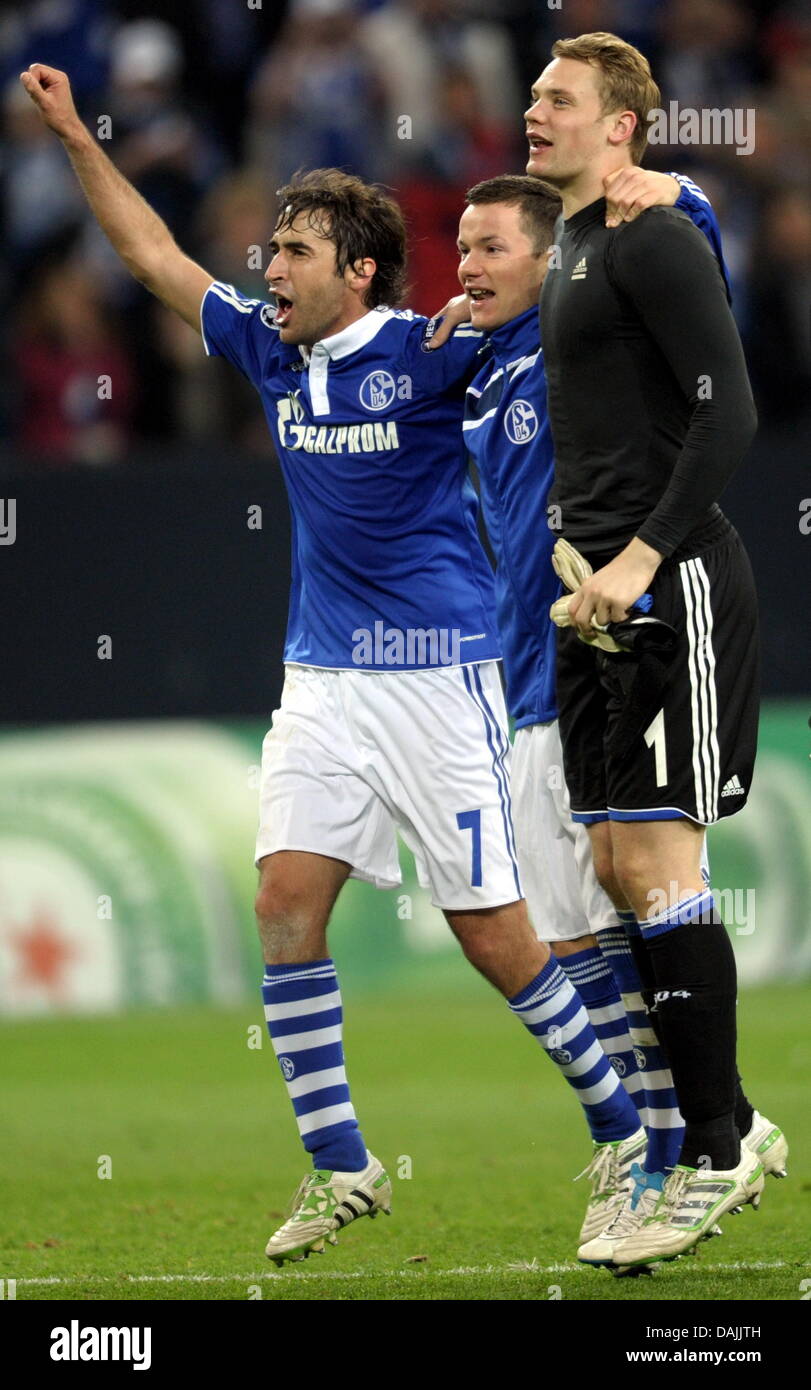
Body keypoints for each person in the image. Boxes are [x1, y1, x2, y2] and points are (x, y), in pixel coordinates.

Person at [20, 60, 647, 1266]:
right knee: (282, 904)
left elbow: (553, 322)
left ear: (357, 268)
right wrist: (68, 134)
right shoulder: (270, 352)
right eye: (271, 250)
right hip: (320, 682)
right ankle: (341, 1163)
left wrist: (616, 218)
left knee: (494, 937)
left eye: (296, 251)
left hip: (434, 676)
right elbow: (157, 259)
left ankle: (622, 1126)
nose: (272, 269)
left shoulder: (431, 352)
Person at [447, 171, 786, 1264]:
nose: (467, 266)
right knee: (590, 910)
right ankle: (700, 1119)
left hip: (605, 640)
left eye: (492, 246)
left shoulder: (592, 330)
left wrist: (683, 190)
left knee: (623, 891)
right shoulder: (473, 365)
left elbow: (700, 330)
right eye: (459, 247)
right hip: (534, 662)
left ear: (552, 262)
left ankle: (680, 1142)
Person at [525, 30, 779, 1268]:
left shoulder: (649, 233)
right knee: (621, 865)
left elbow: (727, 406)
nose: (536, 111)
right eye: (532, 95)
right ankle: (710, 1134)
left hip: (665, 580)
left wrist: (638, 555)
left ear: (621, 124)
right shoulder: (573, 238)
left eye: (559, 100)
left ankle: (719, 1148)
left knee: (664, 863)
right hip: (595, 602)